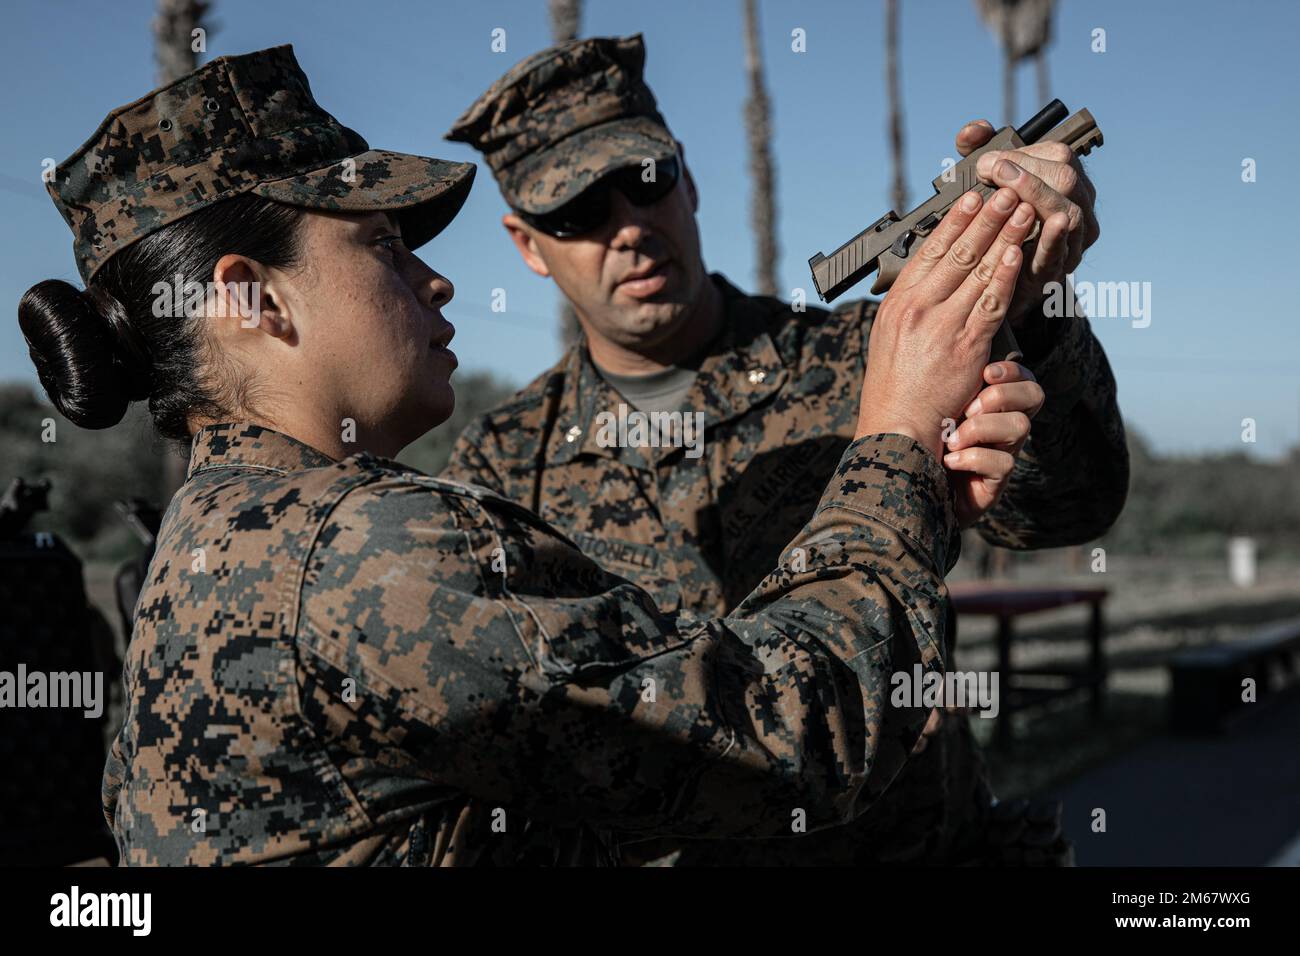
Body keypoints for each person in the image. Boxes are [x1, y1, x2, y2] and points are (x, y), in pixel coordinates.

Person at [20, 44, 1034, 866]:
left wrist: (910, 487)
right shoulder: (367, 546)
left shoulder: (205, 544)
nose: (432, 280)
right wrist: (896, 438)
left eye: (644, 184)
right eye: (379, 243)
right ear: (251, 296)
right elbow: (792, 741)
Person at [443, 35, 1128, 864]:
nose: (628, 227)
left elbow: (1067, 508)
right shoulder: (501, 468)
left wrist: (1037, 310)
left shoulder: (870, 357)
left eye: (646, 183)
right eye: (579, 213)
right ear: (526, 245)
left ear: (688, 182)